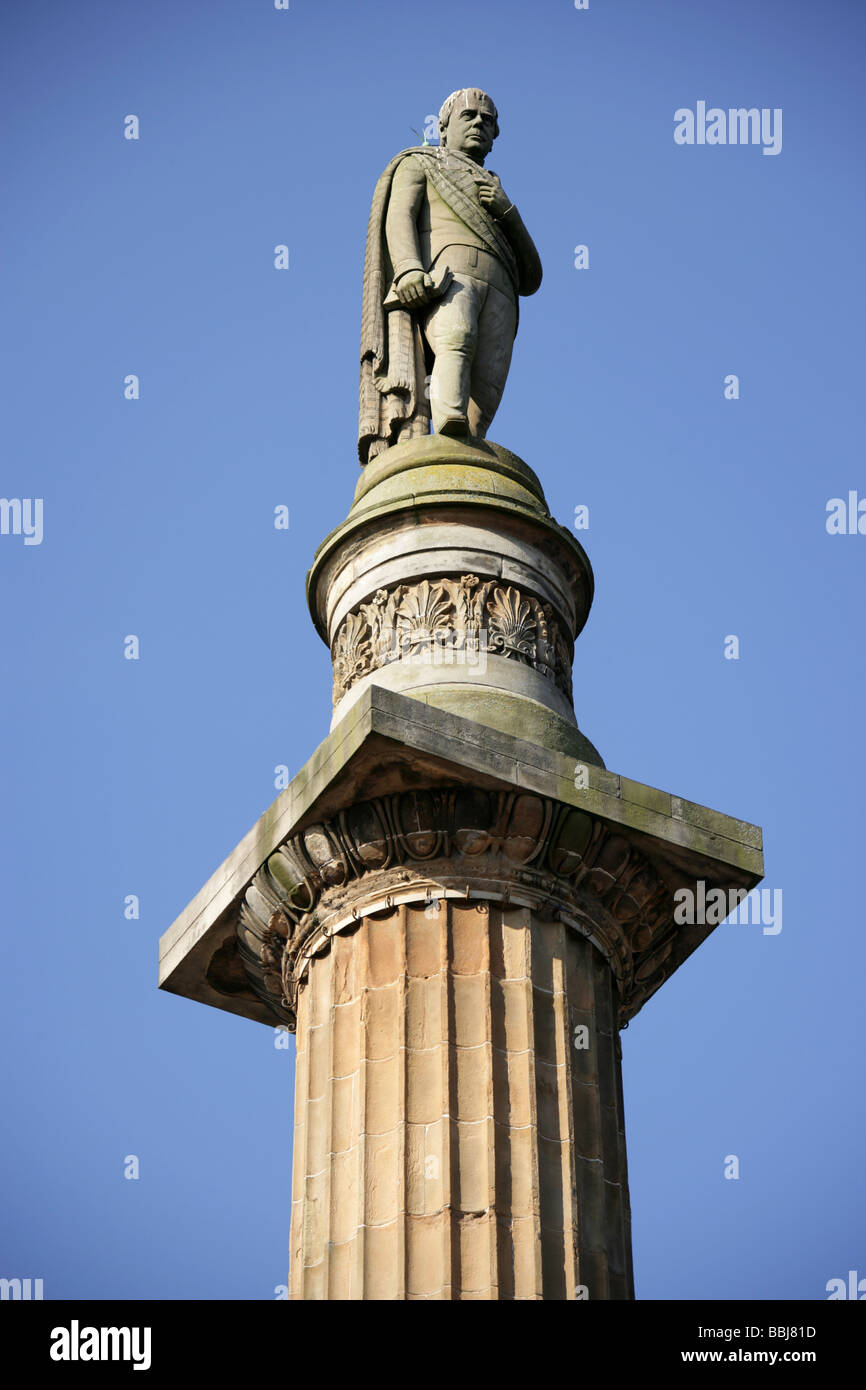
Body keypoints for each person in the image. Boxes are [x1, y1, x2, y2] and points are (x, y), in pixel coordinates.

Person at [358, 88, 542, 464]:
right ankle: (448, 426)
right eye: (469, 116)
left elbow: (532, 277)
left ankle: (471, 450)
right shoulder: (420, 163)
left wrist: (507, 211)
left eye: (487, 121)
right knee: (457, 338)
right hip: (451, 275)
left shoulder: (496, 191)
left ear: (495, 137)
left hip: (503, 290)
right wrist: (409, 267)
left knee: (488, 381)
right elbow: (400, 216)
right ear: (443, 127)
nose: (478, 123)